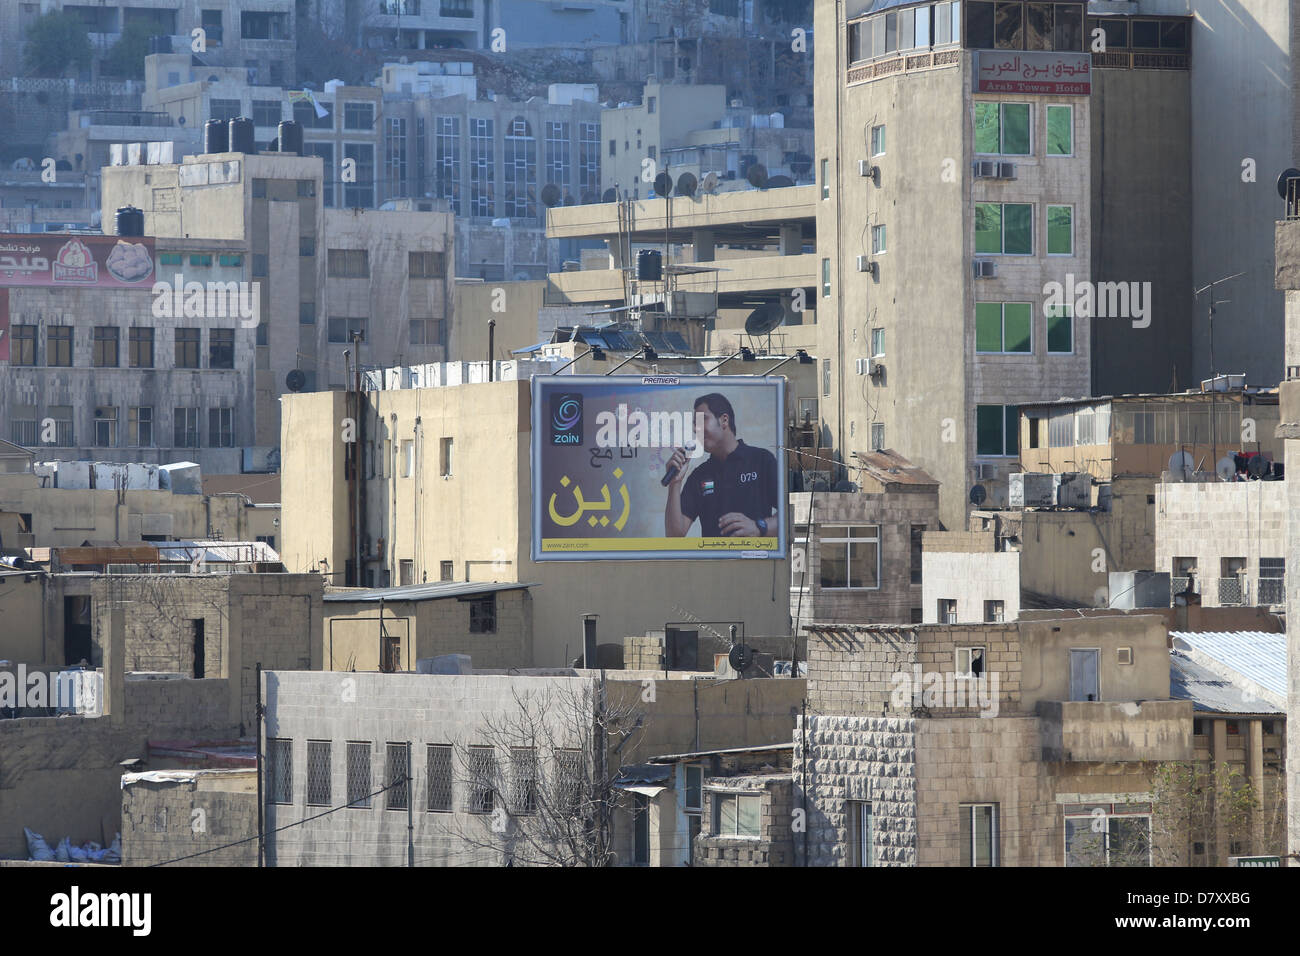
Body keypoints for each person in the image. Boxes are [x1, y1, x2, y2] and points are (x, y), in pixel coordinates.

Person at [665, 393, 778, 537]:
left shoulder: (761, 460)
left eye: (702, 420)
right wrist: (675, 483)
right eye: (694, 424)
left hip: (755, 557)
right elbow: (674, 536)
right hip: (714, 559)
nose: (695, 429)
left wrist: (759, 527)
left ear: (724, 420)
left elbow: (788, 516)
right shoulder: (699, 475)